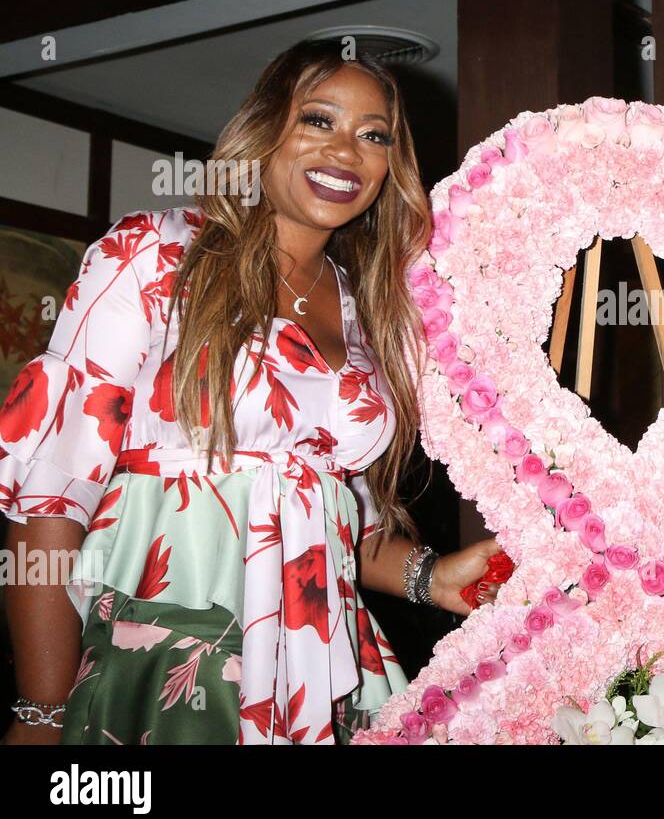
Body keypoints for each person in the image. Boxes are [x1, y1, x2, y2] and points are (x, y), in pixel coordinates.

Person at [1, 40, 501, 745]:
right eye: (318, 120)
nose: (346, 151)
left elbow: (328, 516)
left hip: (325, 669)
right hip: (168, 652)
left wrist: (434, 577)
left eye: (374, 135)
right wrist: (41, 710)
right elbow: (48, 500)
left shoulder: (373, 314)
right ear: (264, 128)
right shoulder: (154, 256)